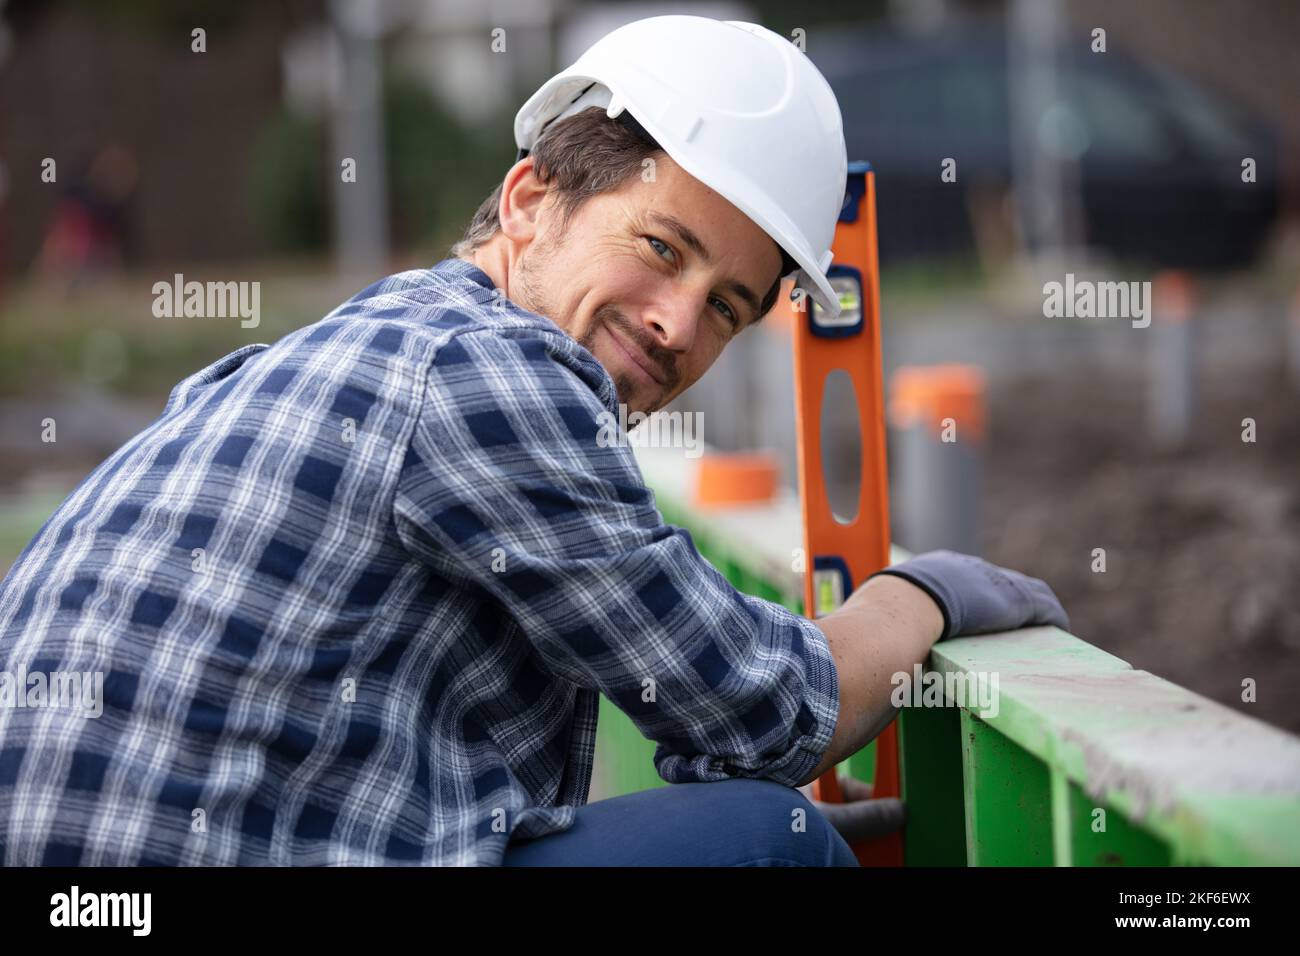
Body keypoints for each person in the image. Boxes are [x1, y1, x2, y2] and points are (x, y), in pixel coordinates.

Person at [0, 15, 1066, 867]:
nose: (678, 323)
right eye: (661, 245)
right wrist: (915, 597)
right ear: (529, 199)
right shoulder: (489, 371)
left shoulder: (341, 352)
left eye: (728, 307)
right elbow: (765, 710)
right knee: (758, 832)